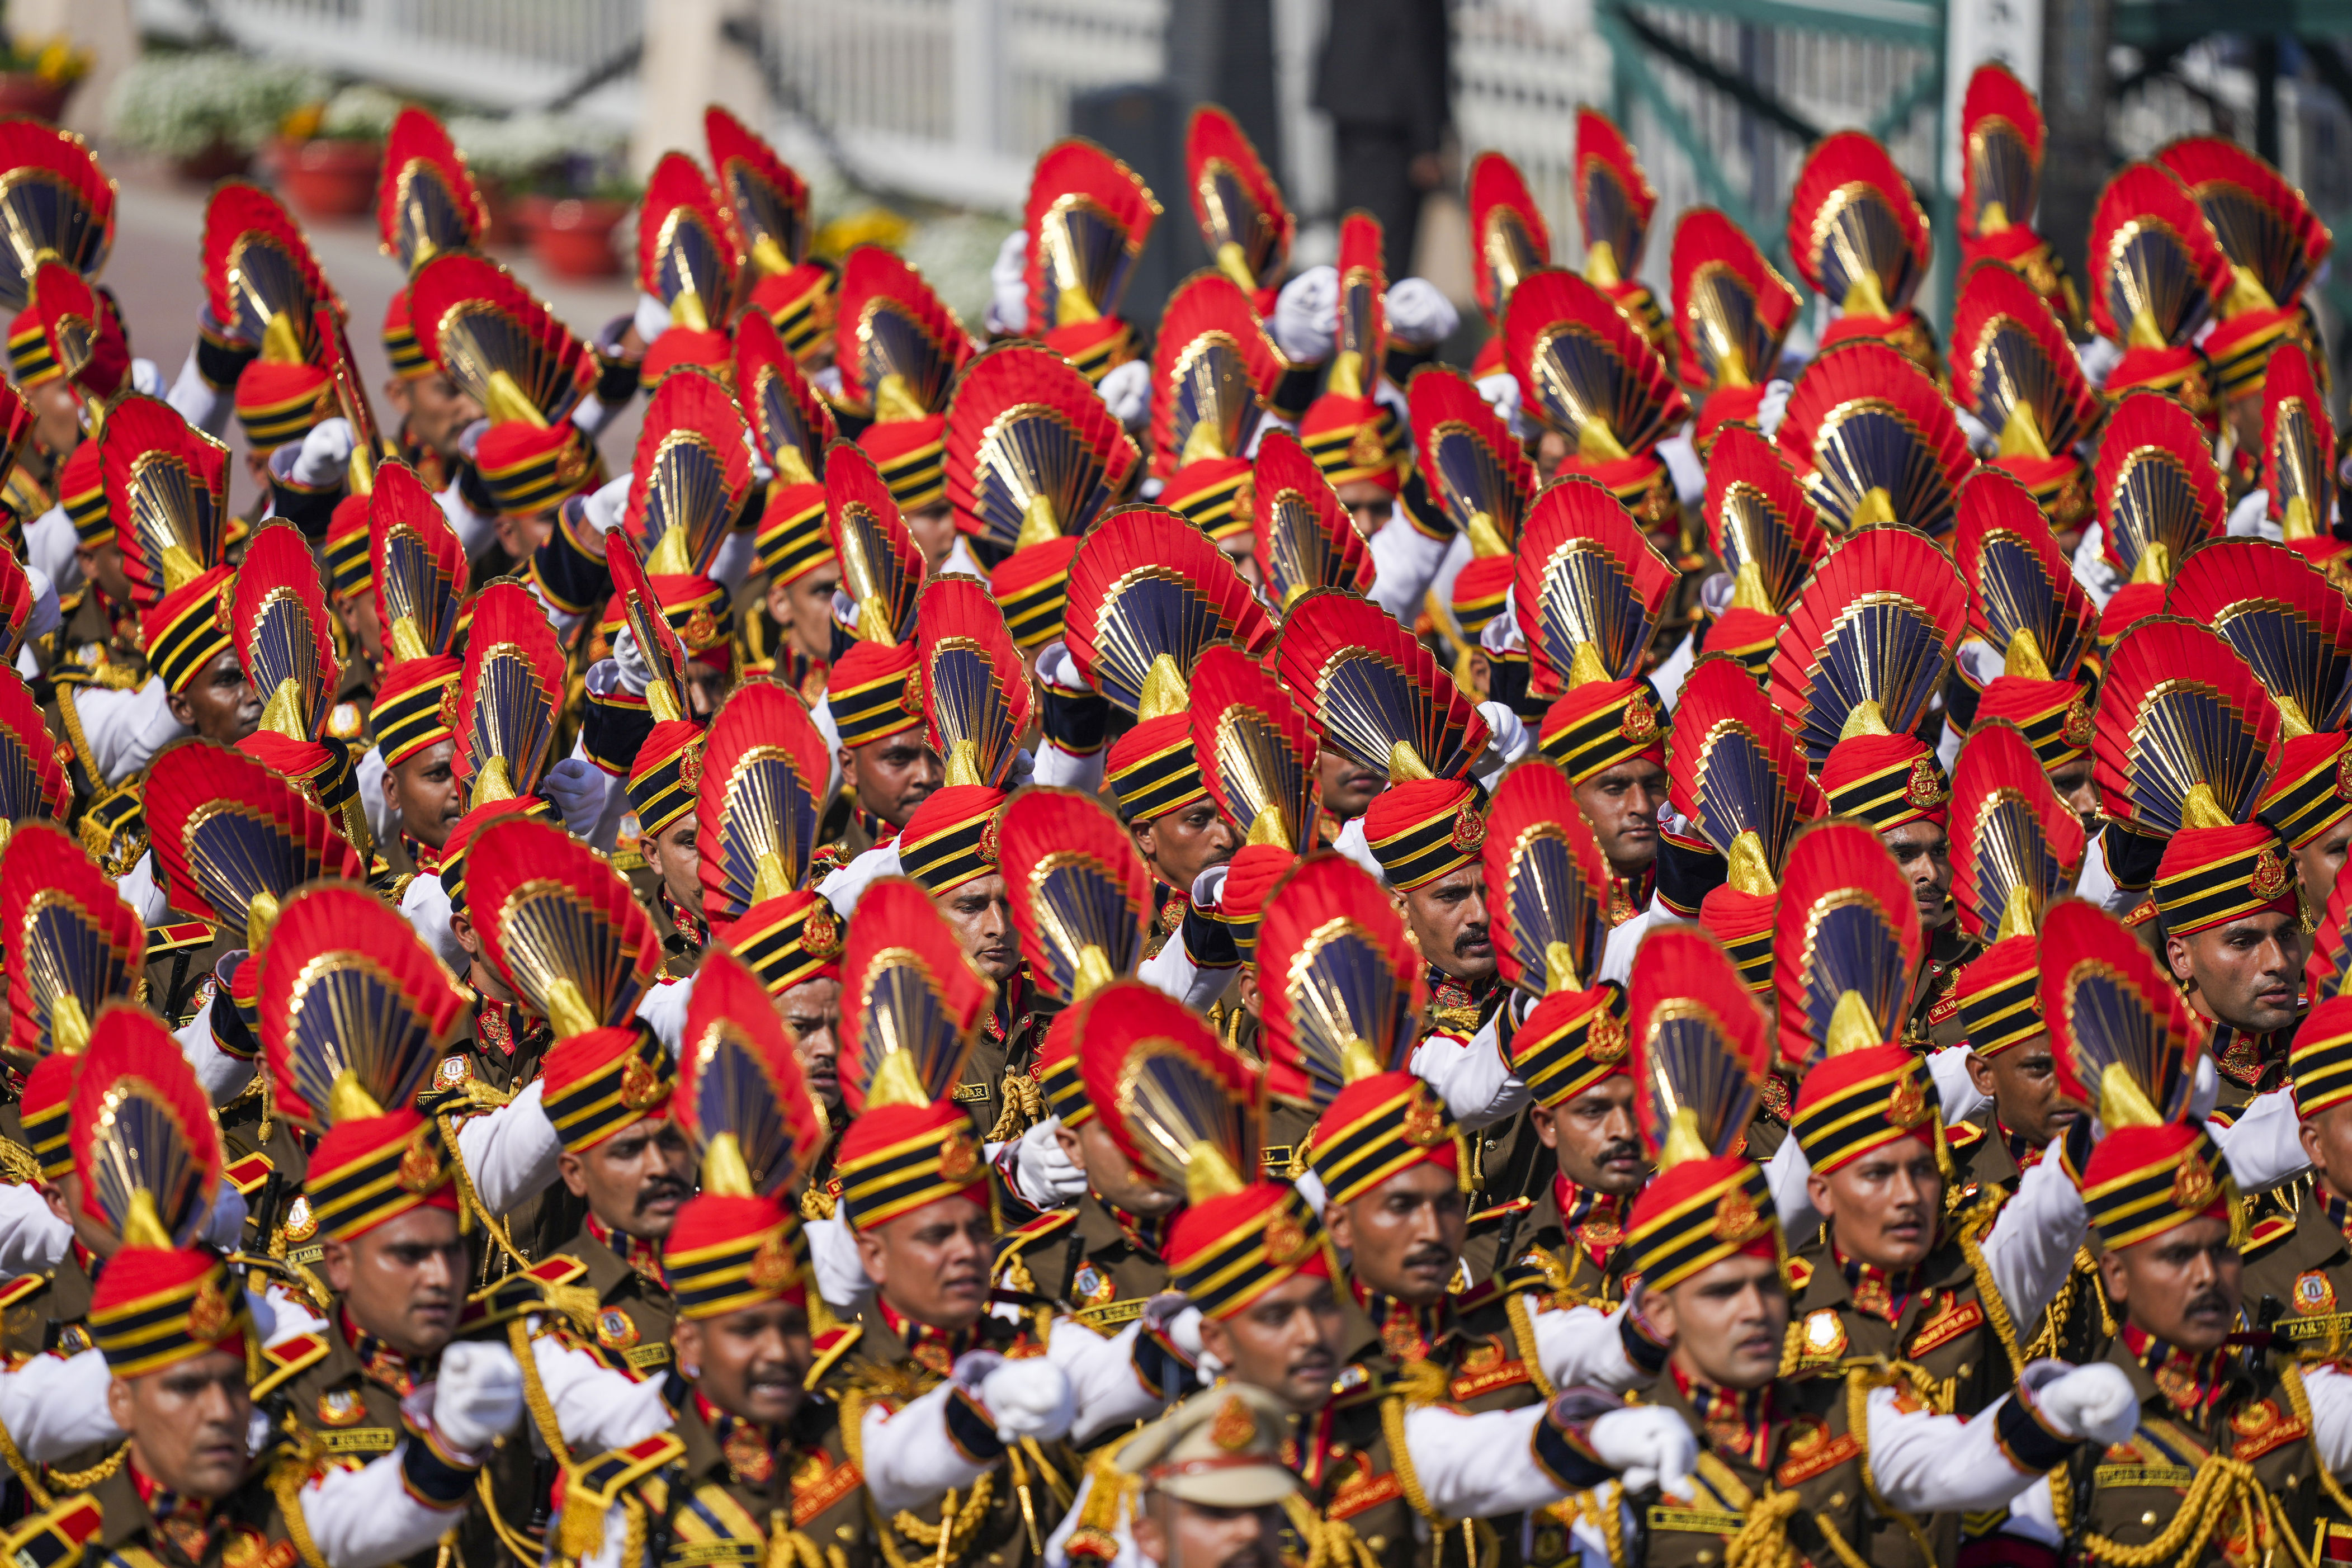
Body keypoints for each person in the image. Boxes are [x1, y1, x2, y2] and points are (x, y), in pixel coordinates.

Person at [6, 1243, 519, 1568]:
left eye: (233, 1384)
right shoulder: (59, 1554)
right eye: (186, 1388)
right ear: (122, 1403)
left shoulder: (288, 1506)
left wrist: (455, 1431)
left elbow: (401, 1505)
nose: (220, 1410)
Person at [1311, 0, 1452, 282]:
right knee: (1384, 246)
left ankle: (1356, 313)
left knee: (1356, 229)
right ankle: (1375, 320)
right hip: (1393, 117)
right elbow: (1413, 43)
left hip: (1352, 99)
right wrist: (1428, 140)